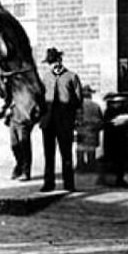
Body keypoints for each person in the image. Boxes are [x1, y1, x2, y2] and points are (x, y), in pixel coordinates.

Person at [40, 47, 82, 192]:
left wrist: (76, 119)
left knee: (66, 154)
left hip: (65, 122)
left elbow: (78, 100)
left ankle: (69, 184)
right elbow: (40, 98)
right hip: (48, 122)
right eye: (50, 63)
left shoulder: (72, 77)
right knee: (48, 154)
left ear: (60, 60)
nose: (53, 65)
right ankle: (48, 183)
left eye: (54, 61)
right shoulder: (46, 77)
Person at [3, 93, 41, 182]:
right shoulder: (14, 89)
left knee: (24, 146)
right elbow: (7, 101)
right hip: (13, 119)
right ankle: (19, 165)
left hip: (24, 121)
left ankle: (26, 171)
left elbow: (37, 105)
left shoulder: (29, 90)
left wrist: (32, 119)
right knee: (14, 145)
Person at [75, 85, 103, 172]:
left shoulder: (78, 105)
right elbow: (101, 119)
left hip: (81, 129)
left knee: (80, 147)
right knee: (91, 148)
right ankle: (91, 165)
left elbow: (74, 118)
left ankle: (80, 165)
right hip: (93, 130)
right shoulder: (96, 106)